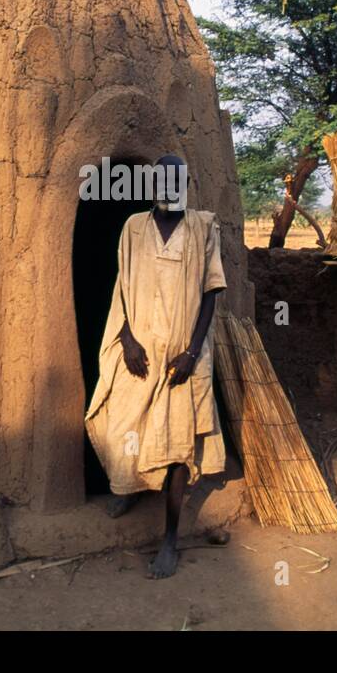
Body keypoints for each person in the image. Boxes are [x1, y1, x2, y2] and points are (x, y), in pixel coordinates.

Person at [84, 154, 227, 579]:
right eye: (161, 180)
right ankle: (127, 486)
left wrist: (192, 351)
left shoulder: (204, 227)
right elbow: (123, 288)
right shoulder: (133, 228)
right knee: (124, 423)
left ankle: (169, 541)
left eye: (176, 181)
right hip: (140, 348)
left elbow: (211, 293)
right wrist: (126, 338)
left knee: (178, 442)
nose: (169, 187)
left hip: (184, 353)